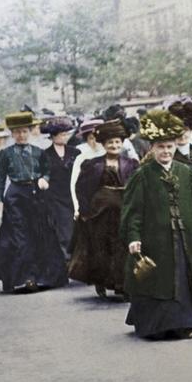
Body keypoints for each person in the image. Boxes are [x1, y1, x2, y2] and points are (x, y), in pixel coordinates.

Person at [120, 110, 192, 340]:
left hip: (185, 237)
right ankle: (158, 326)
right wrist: (134, 237)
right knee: (160, 280)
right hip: (156, 240)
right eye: (161, 147)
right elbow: (133, 211)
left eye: (170, 147)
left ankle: (187, 322)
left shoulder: (186, 172)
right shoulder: (142, 175)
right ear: (152, 148)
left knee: (185, 278)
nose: (166, 152)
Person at [0, 112, 70, 293]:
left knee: (41, 234)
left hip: (36, 195)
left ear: (30, 131)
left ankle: (45, 277)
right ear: (12, 134)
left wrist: (44, 179)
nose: (21, 135)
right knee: (19, 237)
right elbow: (0, 179)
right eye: (17, 132)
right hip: (16, 195)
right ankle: (25, 278)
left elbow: (46, 170)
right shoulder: (5, 154)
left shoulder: (39, 152)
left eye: (24, 131)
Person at [69, 120, 138, 299]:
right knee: (101, 248)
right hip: (100, 212)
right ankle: (101, 281)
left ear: (122, 143)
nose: (114, 146)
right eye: (110, 143)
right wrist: (84, 211)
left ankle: (122, 283)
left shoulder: (131, 164)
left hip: (124, 210)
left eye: (117, 142)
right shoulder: (92, 165)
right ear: (103, 144)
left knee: (122, 246)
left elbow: (137, 188)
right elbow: (81, 188)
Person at [39, 116, 78, 259]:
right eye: (62, 134)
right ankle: (66, 260)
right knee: (64, 229)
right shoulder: (45, 155)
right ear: (53, 136)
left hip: (74, 195)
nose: (65, 137)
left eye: (67, 134)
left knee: (77, 229)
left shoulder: (75, 152)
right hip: (55, 197)